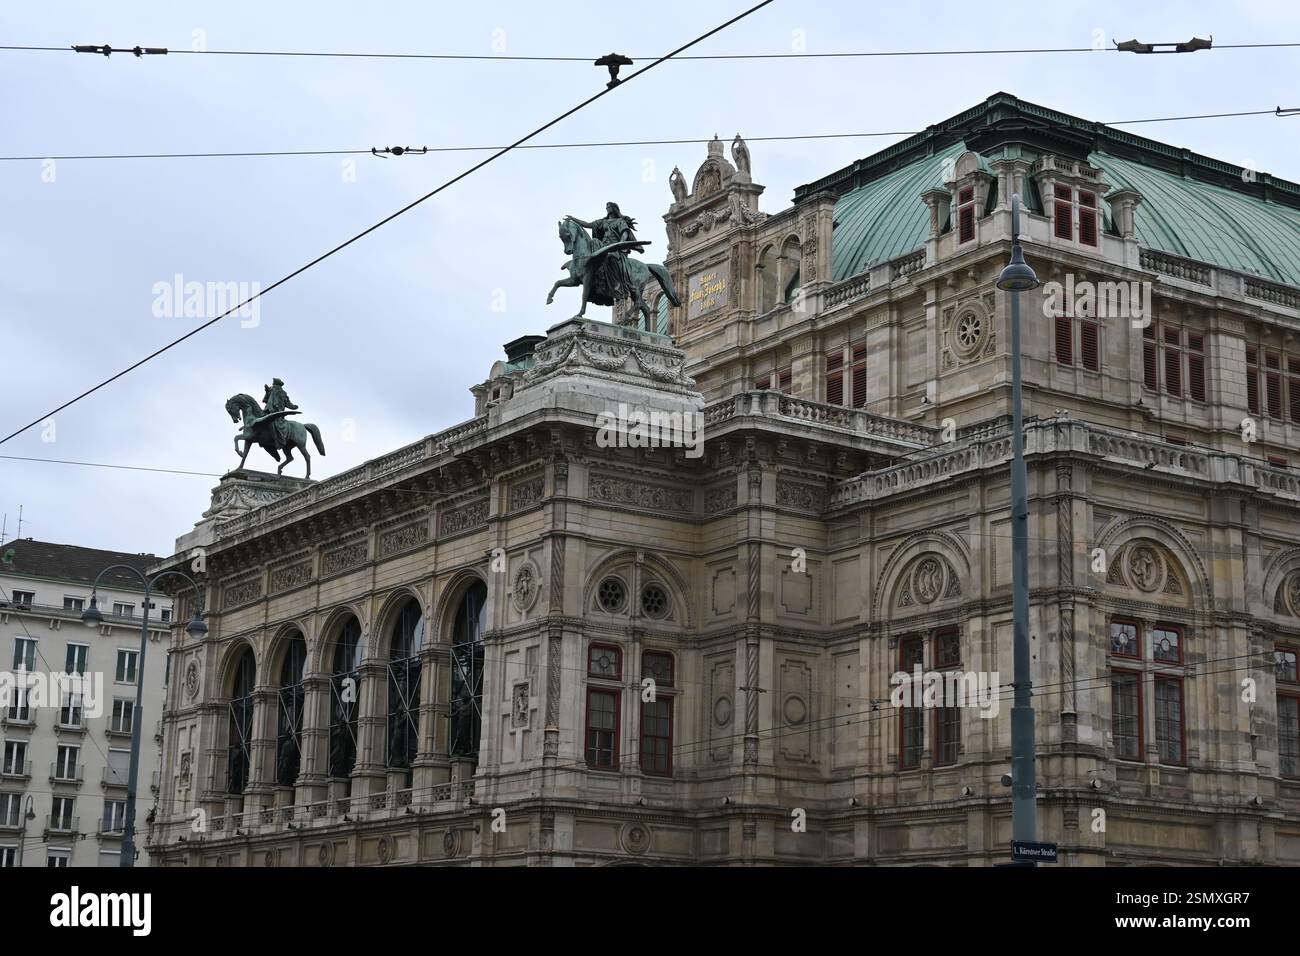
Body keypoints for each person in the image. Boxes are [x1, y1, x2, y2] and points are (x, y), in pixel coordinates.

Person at [566, 202, 642, 302]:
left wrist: (621, 243)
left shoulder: (620, 221)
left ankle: (617, 285)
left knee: (610, 257)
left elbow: (625, 233)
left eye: (609, 207)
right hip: (604, 247)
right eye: (606, 207)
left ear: (614, 209)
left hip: (615, 248)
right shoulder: (603, 222)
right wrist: (573, 219)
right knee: (594, 242)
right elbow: (588, 224)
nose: (607, 209)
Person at [262, 377, 298, 448]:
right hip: (268, 410)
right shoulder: (271, 389)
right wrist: (266, 391)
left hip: (277, 412)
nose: (273, 385)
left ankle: (278, 440)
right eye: (273, 384)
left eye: (274, 384)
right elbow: (266, 399)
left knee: (273, 424)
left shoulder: (282, 393)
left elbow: (288, 403)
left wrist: (293, 406)